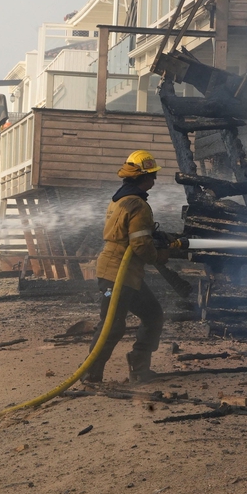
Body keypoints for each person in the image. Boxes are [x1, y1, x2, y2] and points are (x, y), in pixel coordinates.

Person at [84, 150, 173, 384]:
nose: (154, 181)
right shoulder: (138, 205)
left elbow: (132, 235)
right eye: (152, 176)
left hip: (124, 274)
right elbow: (140, 244)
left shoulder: (120, 199)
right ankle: (90, 374)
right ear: (142, 177)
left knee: (153, 315)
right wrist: (159, 256)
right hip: (117, 275)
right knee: (111, 324)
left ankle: (139, 368)